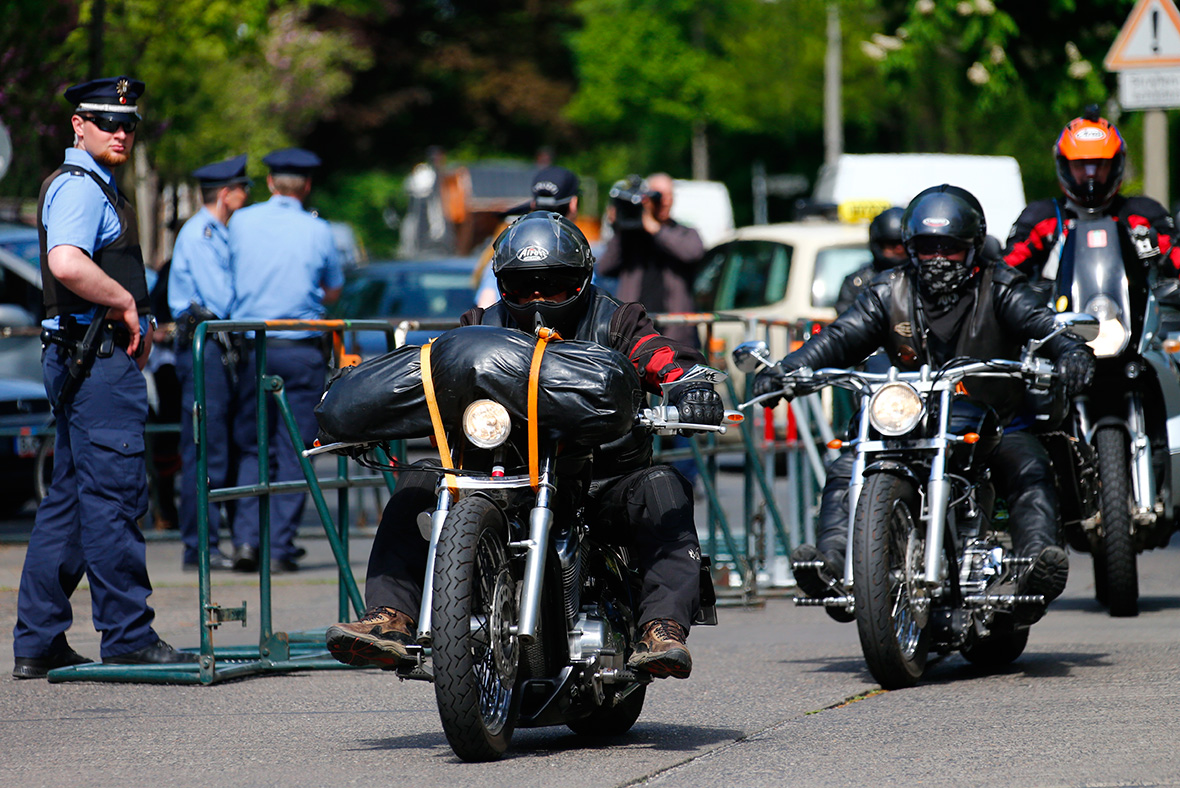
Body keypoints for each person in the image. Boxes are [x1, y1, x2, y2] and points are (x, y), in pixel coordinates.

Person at [325, 211, 723, 679]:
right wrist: (355, 402)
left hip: (602, 479)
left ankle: (662, 626)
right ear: (502, 284)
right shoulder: (481, 324)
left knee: (662, 487)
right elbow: (440, 365)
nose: (537, 297)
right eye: (522, 285)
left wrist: (686, 383)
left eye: (552, 283)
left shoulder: (615, 320)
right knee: (419, 479)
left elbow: (656, 353)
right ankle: (390, 617)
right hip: (503, 474)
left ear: (580, 278)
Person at [754, 185, 1096, 622]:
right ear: (911, 249)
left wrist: (1071, 352)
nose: (937, 258)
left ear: (972, 249)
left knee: (1028, 466)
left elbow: (1043, 325)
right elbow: (841, 337)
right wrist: (787, 369)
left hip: (995, 420)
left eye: (949, 249)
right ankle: (835, 564)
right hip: (912, 419)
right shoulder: (888, 291)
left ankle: (1033, 566)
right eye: (927, 247)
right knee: (848, 460)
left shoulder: (1001, 286)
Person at [13, 75, 197, 678]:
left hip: (79, 356)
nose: (121, 131)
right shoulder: (81, 188)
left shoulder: (88, 184)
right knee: (114, 496)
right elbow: (65, 261)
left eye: (129, 124)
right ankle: (126, 634)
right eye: (107, 121)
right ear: (78, 125)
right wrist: (122, 301)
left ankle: (38, 641)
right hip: (93, 359)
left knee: (68, 500)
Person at [228, 148, 343, 573]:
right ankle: (277, 548)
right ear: (306, 186)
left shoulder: (240, 222)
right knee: (296, 450)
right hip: (299, 348)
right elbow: (332, 289)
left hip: (252, 347)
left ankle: (244, 540)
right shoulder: (319, 230)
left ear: (272, 183)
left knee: (250, 445)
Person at [168, 154, 252, 572]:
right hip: (206, 350)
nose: (247, 196)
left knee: (225, 447)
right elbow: (222, 300)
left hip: (220, 349)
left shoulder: (218, 232)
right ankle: (199, 548)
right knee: (207, 448)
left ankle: (217, 543)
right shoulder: (201, 234)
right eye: (243, 189)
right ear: (225, 193)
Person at [1004, 108, 1180, 278]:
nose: (1090, 174)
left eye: (1100, 165)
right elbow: (1006, 270)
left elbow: (1175, 257)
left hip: (1132, 307)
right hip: (1056, 308)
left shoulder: (1142, 214)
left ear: (1116, 165)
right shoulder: (1042, 218)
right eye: (1080, 165)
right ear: (1065, 166)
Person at [596, 173, 704, 348]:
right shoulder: (632, 237)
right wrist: (621, 228)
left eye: (669, 196)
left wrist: (656, 229)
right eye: (659, 196)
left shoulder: (684, 233)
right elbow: (606, 267)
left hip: (676, 335)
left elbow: (692, 253)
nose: (665, 201)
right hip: (635, 334)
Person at [472, 164, 581, 308]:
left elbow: (486, 307)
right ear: (574, 203)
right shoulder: (577, 255)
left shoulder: (510, 249)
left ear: (534, 203)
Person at [834, 206, 906, 314]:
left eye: (904, 243)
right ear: (878, 244)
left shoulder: (921, 278)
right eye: (892, 244)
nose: (899, 249)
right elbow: (848, 324)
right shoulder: (857, 283)